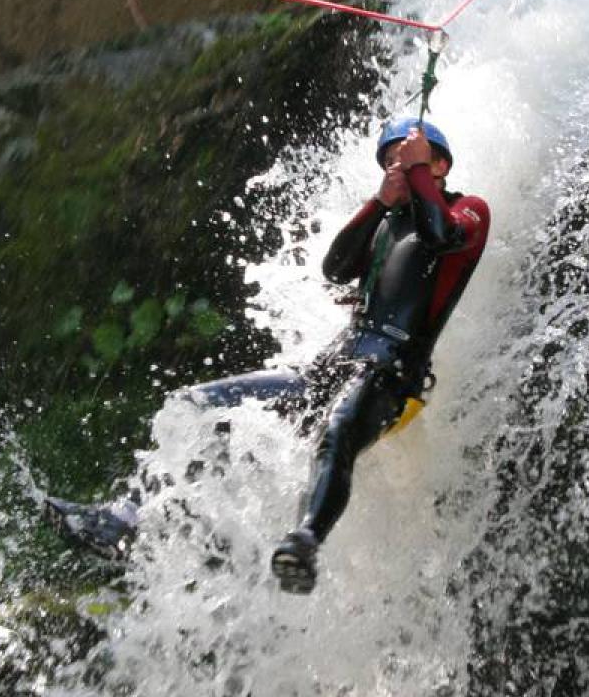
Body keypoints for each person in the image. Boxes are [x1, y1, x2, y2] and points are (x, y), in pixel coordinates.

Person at [188, 116, 490, 592]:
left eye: (409, 157)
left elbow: (441, 236)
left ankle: (306, 541)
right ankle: (130, 515)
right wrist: (379, 203)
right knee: (201, 404)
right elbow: (335, 267)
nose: (398, 164)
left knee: (336, 432)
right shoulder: (385, 224)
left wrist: (416, 176)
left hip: (393, 373)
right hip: (331, 366)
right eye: (390, 160)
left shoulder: (467, 209)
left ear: (441, 165)